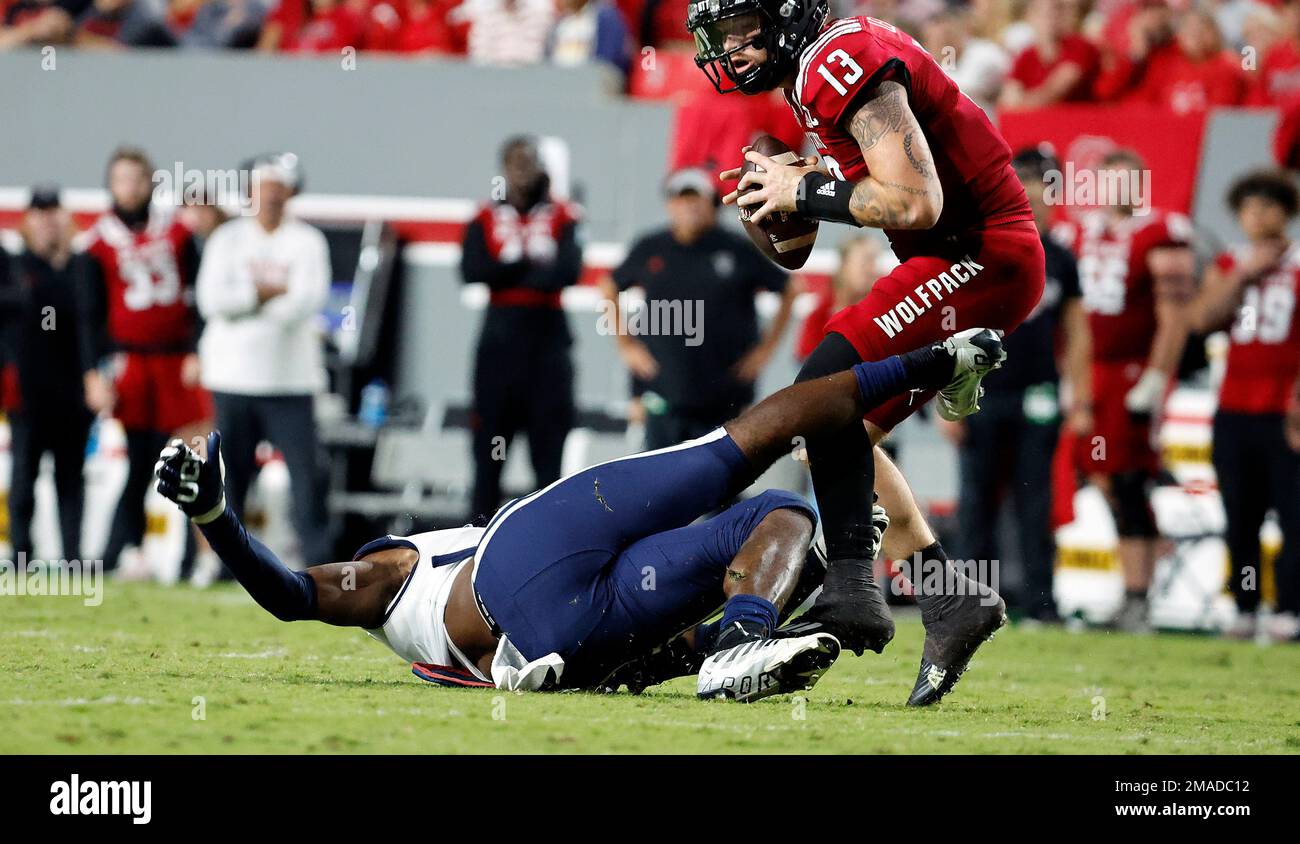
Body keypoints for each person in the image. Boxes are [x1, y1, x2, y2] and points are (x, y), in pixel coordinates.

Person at [153, 327, 1008, 701]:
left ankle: (735, 647)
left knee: (781, 517)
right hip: (525, 564)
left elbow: (292, 595)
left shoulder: (399, 611)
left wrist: (219, 518)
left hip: (577, 635)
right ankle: (935, 360)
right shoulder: (390, 572)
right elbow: (297, 594)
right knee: (753, 447)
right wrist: (221, 519)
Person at [687, 0, 1045, 705]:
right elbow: (810, 240)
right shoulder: (813, 76)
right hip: (958, 253)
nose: (734, 50)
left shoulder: (835, 58)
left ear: (790, 9)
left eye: (746, 29)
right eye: (722, 36)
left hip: (980, 251)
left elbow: (917, 201)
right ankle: (948, 596)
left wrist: (804, 191)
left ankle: (853, 588)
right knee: (831, 441)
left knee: (821, 386)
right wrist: (783, 195)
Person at [940, 148, 1092, 623]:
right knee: (977, 501)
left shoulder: (1063, 259)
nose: (1032, 192)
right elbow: (954, 323)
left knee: (1036, 499)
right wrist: (950, 402)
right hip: (982, 391)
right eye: (1024, 180)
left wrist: (1081, 397)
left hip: (1038, 392)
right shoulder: (983, 247)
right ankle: (971, 603)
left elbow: (1078, 330)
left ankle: (1041, 603)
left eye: (1043, 184)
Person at [1052, 148, 1195, 633]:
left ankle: (1138, 597)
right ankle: (1132, 587)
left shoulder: (1161, 232)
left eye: (1125, 181)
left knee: (1130, 479)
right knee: (1101, 478)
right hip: (1087, 371)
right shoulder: (1076, 233)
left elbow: (1175, 317)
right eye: (1108, 181)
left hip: (1130, 371)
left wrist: (1156, 378)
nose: (1116, 191)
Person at [78, 147, 211, 573]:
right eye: (122, 179)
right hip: (132, 363)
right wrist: (94, 372)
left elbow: (198, 297)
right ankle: (125, 549)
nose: (130, 188)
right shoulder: (97, 242)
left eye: (137, 179)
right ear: (110, 185)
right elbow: (88, 316)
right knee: (138, 462)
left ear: (151, 183)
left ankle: (195, 559)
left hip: (177, 362)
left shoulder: (177, 233)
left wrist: (196, 347)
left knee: (192, 460)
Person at [195, 152, 331, 566]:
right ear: (249, 192)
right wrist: (263, 294)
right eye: (263, 188)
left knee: (307, 477)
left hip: (291, 380)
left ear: (291, 193)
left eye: (278, 188)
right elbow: (211, 300)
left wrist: (247, 304)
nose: (271, 196)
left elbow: (307, 302)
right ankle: (222, 562)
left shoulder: (308, 241)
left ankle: (318, 561)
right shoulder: (227, 239)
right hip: (233, 378)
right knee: (229, 478)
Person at [600, 167, 797, 451]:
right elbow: (608, 287)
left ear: (711, 203)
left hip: (724, 393)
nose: (689, 205)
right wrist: (626, 346)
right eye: (681, 198)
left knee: (722, 481)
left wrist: (765, 351)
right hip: (662, 390)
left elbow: (790, 289)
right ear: (670, 204)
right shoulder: (651, 248)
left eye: (696, 198)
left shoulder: (736, 249)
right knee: (660, 479)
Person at [1189, 169, 1300, 643]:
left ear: (1286, 212)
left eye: (1268, 205)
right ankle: (1246, 604)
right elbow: (1201, 319)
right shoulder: (1231, 262)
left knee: (1294, 515)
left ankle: (1291, 609)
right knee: (1242, 514)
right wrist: (1243, 275)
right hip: (1235, 408)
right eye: (1249, 206)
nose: (1258, 214)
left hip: (1285, 409)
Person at [460, 136, 581, 522]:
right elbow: (473, 271)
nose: (523, 171)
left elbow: (565, 273)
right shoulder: (483, 217)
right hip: (499, 348)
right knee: (489, 453)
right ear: (504, 168)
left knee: (547, 459)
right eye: (516, 163)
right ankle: (475, 542)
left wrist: (509, 271)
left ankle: (549, 541)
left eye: (530, 162)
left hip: (548, 347)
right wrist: (529, 266)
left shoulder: (565, 216)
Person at [0, 188, 92, 564]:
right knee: (24, 476)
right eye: (40, 215)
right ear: (28, 222)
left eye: (54, 214)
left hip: (72, 392)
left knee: (71, 479)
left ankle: (73, 556)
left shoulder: (80, 267)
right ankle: (21, 553)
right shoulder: (14, 266)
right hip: (28, 391)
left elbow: (88, 323)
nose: (48, 223)